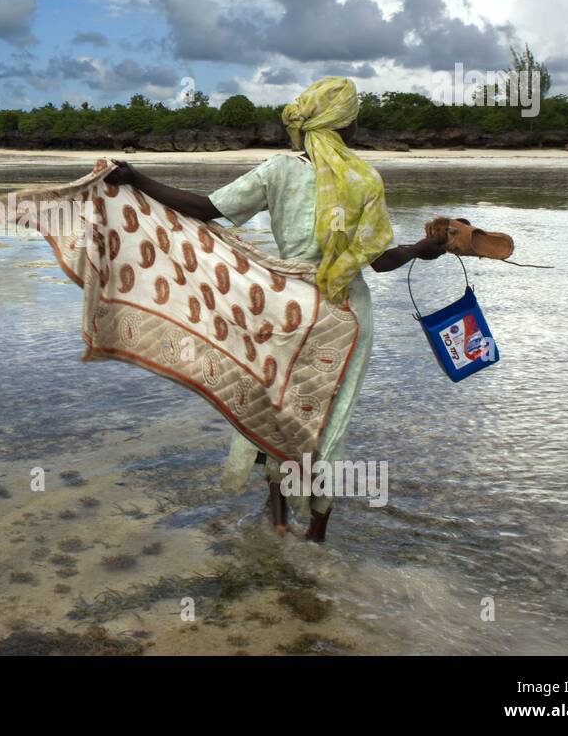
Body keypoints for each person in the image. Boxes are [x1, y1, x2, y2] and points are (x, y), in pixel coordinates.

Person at [104, 77, 446, 542]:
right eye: (354, 118)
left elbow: (205, 208)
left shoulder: (279, 170)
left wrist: (135, 178)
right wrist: (422, 249)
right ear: (345, 126)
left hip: (285, 309)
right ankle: (317, 535)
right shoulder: (363, 179)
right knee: (330, 420)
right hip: (343, 315)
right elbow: (382, 262)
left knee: (276, 408)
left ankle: (279, 518)